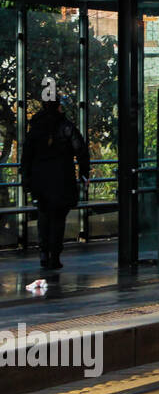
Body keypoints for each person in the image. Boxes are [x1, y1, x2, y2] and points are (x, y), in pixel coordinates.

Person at [20, 98, 90, 270]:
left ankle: (43, 253)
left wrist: (26, 179)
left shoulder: (35, 128)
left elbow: (26, 155)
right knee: (58, 218)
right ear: (58, 107)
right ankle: (55, 256)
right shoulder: (66, 126)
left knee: (43, 216)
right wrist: (83, 173)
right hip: (62, 180)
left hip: (39, 180)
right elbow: (81, 150)